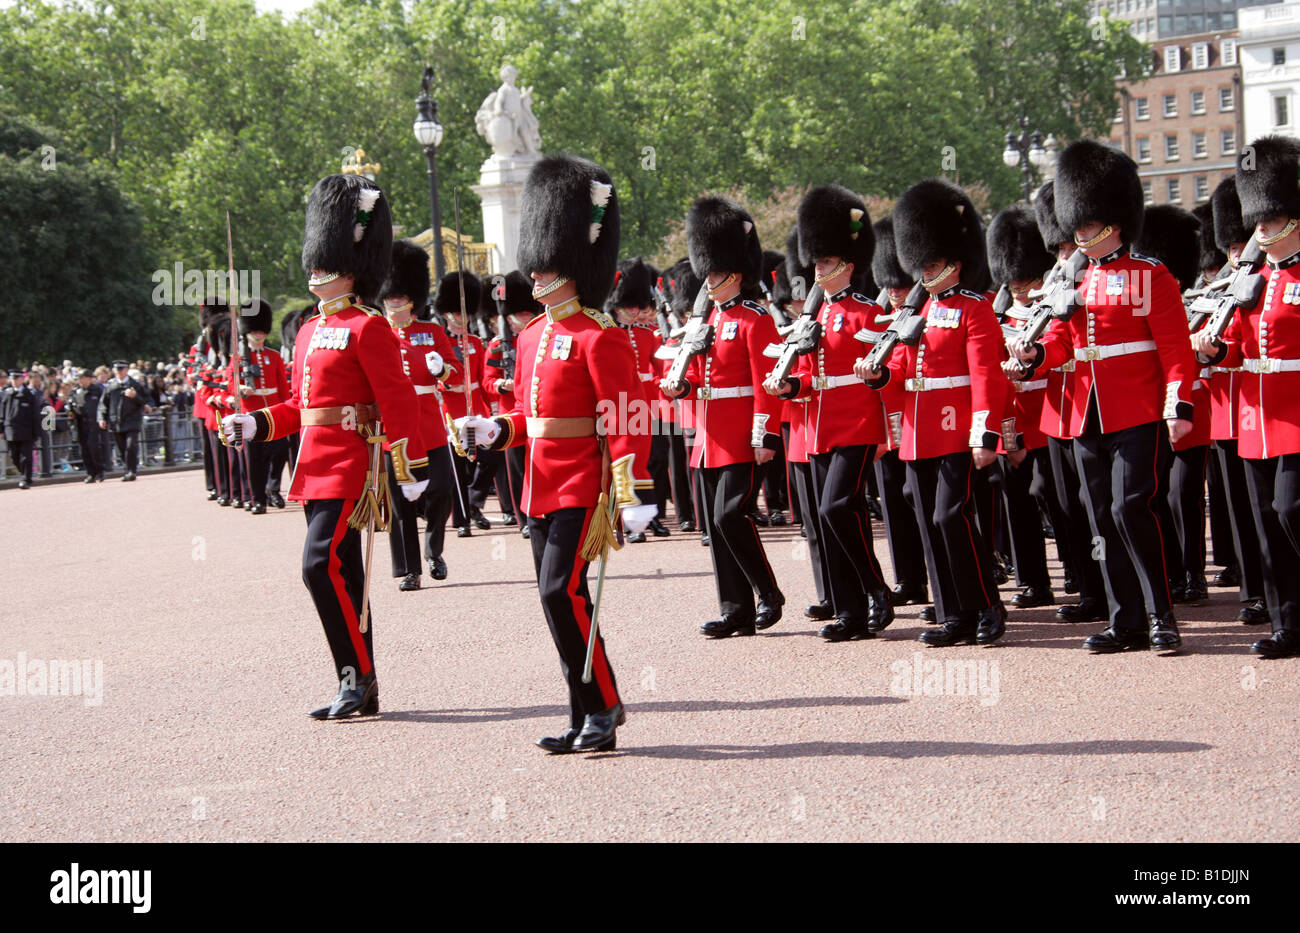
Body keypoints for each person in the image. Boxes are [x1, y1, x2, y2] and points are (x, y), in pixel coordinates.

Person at [457, 153, 655, 753]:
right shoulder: (536, 335)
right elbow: (532, 415)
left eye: (548, 264)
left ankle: (604, 704)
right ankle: (584, 711)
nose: (536, 275)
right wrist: (497, 430)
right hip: (539, 484)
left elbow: (628, 416)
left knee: (558, 592)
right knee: (558, 601)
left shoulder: (602, 336)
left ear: (574, 263)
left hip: (584, 486)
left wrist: (633, 490)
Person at [222, 173, 429, 718]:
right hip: (311, 464)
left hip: (352, 466)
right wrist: (256, 424)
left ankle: (353, 677)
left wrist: (408, 465)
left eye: (327, 259)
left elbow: (399, 399)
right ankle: (362, 681)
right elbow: (300, 406)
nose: (315, 268)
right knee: (345, 574)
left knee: (318, 566)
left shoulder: (369, 327)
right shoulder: (310, 330)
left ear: (351, 266)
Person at [1010, 140, 1198, 655]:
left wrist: (1178, 404)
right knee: (1099, 517)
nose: (1079, 232)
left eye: (1087, 224)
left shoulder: (1151, 275)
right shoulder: (1076, 281)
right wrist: (1034, 355)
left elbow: (1176, 349)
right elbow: (1064, 345)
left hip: (1137, 410)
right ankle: (1126, 620)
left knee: (1130, 508)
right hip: (1085, 416)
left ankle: (1162, 615)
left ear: (1112, 221)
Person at [858, 179, 1008, 647]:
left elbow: (987, 375)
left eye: (933, 263)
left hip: (957, 431)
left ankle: (986, 603)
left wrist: (984, 434)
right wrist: (878, 375)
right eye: (921, 263)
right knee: (929, 522)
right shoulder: (912, 315)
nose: (924, 272)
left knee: (950, 517)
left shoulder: (974, 310)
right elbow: (903, 369)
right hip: (919, 431)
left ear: (955, 263)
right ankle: (953, 614)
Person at [768, 184, 894, 641]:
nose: (817, 271)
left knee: (838, 505)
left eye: (825, 263)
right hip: (818, 426)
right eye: (816, 263)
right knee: (826, 515)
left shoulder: (868, 314)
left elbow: (886, 368)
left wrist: (877, 377)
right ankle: (850, 612)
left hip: (857, 422)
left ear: (847, 265)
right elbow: (807, 375)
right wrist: (788, 385)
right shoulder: (813, 319)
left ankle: (876, 586)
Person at [1193, 136, 1300, 658]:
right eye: (1258, 218)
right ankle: (1288, 625)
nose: (1260, 229)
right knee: (1266, 525)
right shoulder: (1252, 280)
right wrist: (1213, 350)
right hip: (1257, 415)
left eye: (1271, 218)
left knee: (1291, 507)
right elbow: (1237, 347)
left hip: (1297, 412)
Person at [661, 195, 785, 638]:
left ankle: (767, 592)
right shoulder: (702, 321)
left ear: (736, 274)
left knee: (732, 514)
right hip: (708, 434)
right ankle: (736, 611)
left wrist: (764, 435)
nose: (708, 281)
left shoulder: (756, 319)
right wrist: (680, 385)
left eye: (715, 273)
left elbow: (765, 380)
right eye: (707, 273)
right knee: (715, 525)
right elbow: (694, 375)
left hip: (740, 434)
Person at [986, 205, 1059, 609]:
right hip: (1012, 415)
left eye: (1025, 278)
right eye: (1012, 279)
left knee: (1057, 497)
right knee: (1017, 503)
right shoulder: (997, 313)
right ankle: (1034, 580)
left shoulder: (1055, 308)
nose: (1018, 286)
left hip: (1049, 412)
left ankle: (1082, 571)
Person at [379, 238, 460, 590]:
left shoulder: (433, 332)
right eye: (391, 297)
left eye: (401, 297)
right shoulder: (375, 333)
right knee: (400, 502)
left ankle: (434, 551)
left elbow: (458, 377)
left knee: (440, 491)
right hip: (394, 428)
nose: (395, 302)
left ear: (413, 299)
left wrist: (441, 369)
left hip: (428, 424)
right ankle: (410, 568)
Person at [483, 270, 542, 540]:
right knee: (517, 471)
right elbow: (487, 381)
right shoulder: (497, 346)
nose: (526, 318)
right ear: (509, 317)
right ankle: (524, 519)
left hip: (537, 413)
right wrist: (500, 386)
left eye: (529, 313)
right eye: (521, 315)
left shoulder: (541, 339)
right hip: (511, 414)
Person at [227, 299, 290, 514]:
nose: (259, 334)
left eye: (262, 330)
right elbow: (229, 384)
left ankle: (273, 488)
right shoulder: (237, 358)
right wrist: (241, 387)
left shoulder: (274, 356)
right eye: (255, 330)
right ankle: (258, 499)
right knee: (254, 460)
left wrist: (285, 411)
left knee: (280, 452)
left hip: (273, 412)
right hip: (250, 412)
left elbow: (283, 387)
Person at [97, 360, 151, 481]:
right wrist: (101, 418)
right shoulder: (110, 385)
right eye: (116, 369)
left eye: (121, 369)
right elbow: (103, 404)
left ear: (126, 370)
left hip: (132, 420)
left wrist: (135, 396)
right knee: (121, 448)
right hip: (116, 421)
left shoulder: (135, 384)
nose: (119, 372)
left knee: (131, 445)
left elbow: (145, 401)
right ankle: (127, 470)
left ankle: (132, 471)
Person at [2, 369, 42, 488]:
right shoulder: (7, 393)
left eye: (16, 379)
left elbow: (35, 414)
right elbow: (2, 413)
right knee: (13, 455)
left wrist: (36, 432)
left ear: (22, 379)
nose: (14, 381)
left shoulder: (29, 394)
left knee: (26, 456)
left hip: (26, 430)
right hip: (10, 430)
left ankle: (26, 478)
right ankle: (24, 474)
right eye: (12, 379)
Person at [67, 369, 106, 482]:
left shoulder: (97, 390)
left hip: (93, 422)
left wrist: (102, 418)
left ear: (89, 378)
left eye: (82, 378)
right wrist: (70, 410)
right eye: (79, 378)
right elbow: (70, 404)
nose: (80, 380)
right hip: (80, 422)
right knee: (84, 449)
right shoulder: (75, 391)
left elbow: (103, 404)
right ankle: (91, 473)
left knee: (93, 446)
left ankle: (100, 471)